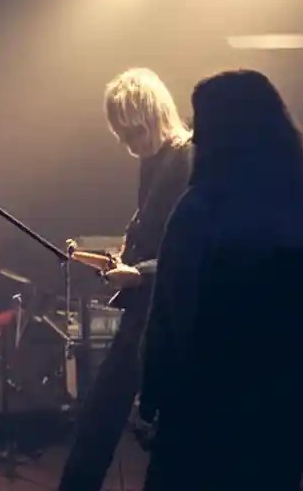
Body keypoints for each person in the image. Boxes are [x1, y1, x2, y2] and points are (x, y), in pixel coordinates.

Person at [140, 70, 303, 491]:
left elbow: (172, 314)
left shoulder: (200, 210)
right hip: (280, 402)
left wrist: (151, 395)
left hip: (203, 407)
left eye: (201, 123)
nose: (194, 137)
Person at [58, 68, 192, 491]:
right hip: (149, 307)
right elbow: (155, 233)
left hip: (171, 312)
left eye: (133, 132)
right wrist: (124, 258)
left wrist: (138, 272)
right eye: (122, 135)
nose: (128, 144)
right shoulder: (157, 162)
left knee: (121, 417)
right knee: (103, 415)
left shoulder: (187, 159)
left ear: (154, 115)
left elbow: (192, 248)